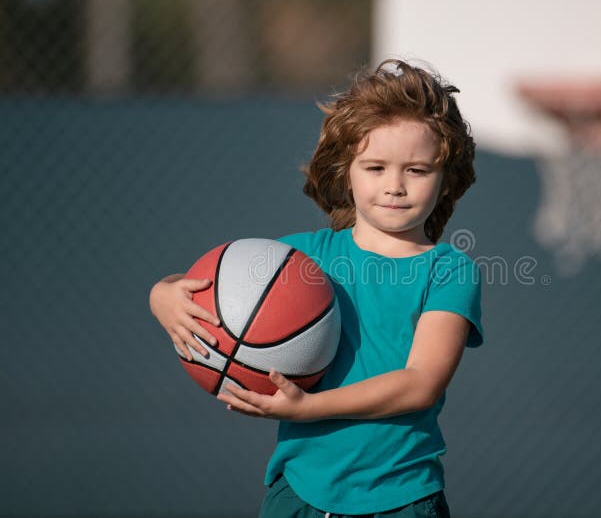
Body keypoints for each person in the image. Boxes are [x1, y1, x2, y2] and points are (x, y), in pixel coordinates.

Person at [149, 59, 484, 518]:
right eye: (375, 167)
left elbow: (419, 384)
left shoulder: (448, 270)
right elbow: (201, 284)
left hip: (402, 496)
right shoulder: (300, 260)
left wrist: (309, 407)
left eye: (417, 170)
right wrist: (163, 296)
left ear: (446, 180)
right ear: (347, 171)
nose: (394, 185)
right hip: (298, 493)